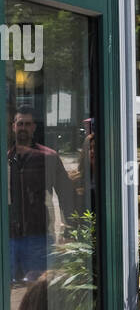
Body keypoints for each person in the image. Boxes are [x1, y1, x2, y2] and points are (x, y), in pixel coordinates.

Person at [8, 108, 75, 282]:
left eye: (27, 124)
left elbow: (66, 195)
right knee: (10, 289)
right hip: (10, 237)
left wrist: (70, 228)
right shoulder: (6, 158)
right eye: (20, 123)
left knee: (38, 289)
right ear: (13, 127)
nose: (23, 127)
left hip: (39, 236)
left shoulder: (48, 157)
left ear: (34, 128)